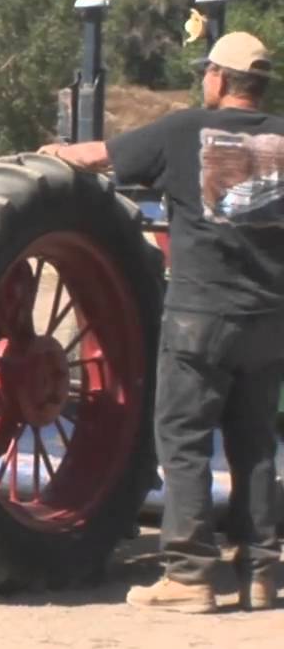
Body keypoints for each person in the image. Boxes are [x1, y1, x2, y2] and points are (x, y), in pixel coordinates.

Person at [38, 31, 284, 614]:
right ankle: (262, 572)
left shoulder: (184, 131)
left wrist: (55, 154)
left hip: (201, 317)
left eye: (207, 74)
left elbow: (100, 156)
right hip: (270, 318)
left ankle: (190, 574)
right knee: (254, 444)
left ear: (220, 80)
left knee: (183, 439)